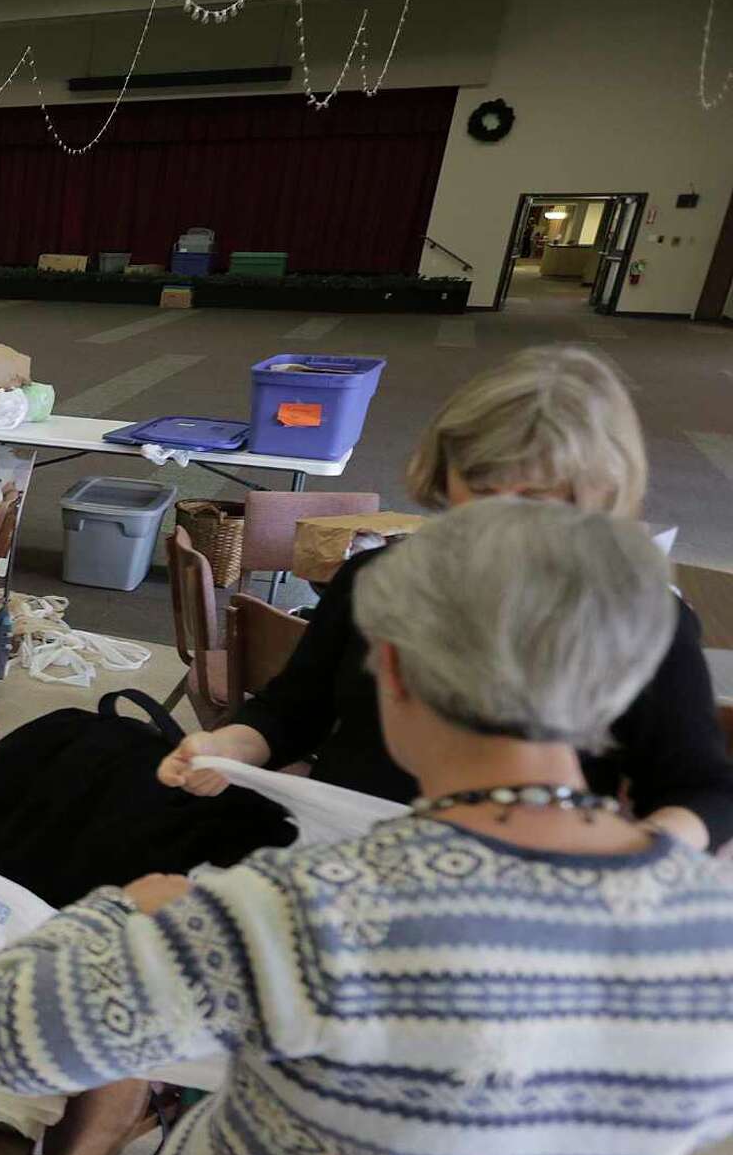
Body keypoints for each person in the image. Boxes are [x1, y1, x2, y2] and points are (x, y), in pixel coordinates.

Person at [0, 498, 733, 1155]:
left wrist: (126, 910)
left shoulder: (313, 905)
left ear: (390, 668)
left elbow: (8, 1035)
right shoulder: (703, 924)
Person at [160, 343, 733, 850]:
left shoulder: (642, 618)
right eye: (480, 486)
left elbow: (701, 789)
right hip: (348, 845)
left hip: (517, 874)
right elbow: (293, 709)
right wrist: (232, 747)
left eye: (536, 496)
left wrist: (639, 858)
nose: (499, 513)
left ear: (600, 494)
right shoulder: (377, 580)